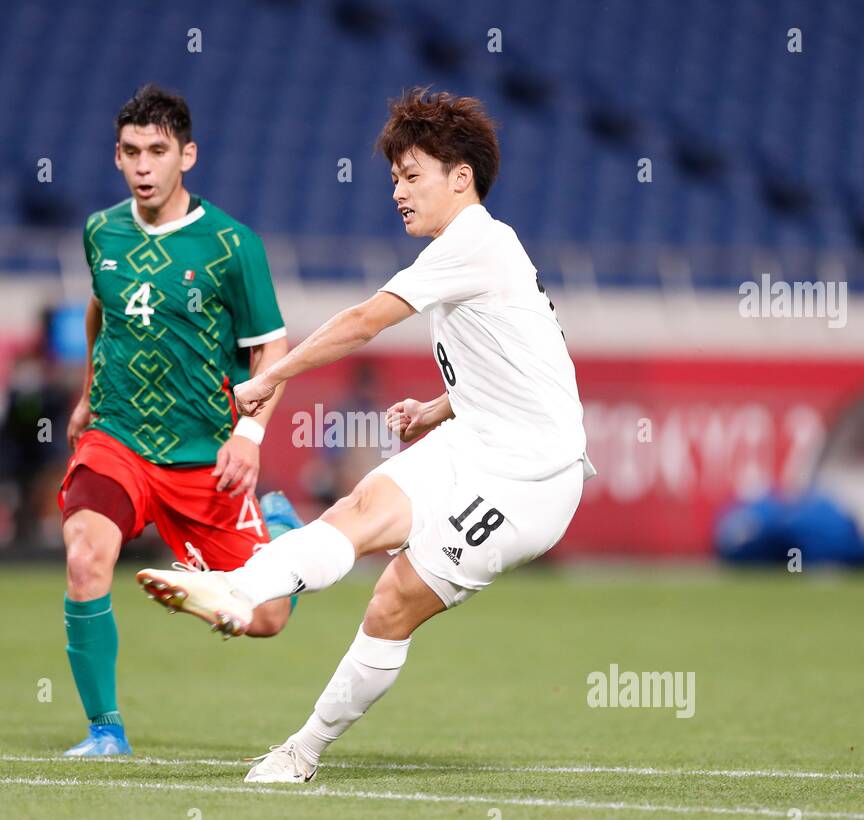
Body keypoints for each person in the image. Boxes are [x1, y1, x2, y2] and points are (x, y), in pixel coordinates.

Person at [137, 88, 595, 782]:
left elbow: (363, 321)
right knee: (357, 512)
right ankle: (238, 590)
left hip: (532, 480)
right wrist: (441, 408)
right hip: (474, 439)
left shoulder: (474, 240)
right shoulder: (481, 250)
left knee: (392, 599)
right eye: (393, 180)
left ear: (459, 178)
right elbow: (527, 364)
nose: (399, 193)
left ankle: (302, 751)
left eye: (411, 176)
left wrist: (271, 378)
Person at [59, 84, 304, 756]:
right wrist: (86, 395)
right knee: (86, 558)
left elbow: (272, 349)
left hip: (204, 454)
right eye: (132, 151)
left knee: (265, 618)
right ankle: (105, 731)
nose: (144, 165)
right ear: (117, 156)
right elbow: (99, 308)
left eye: (158, 151)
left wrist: (248, 435)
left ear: (186, 155)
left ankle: (281, 527)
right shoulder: (99, 231)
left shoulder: (232, 246)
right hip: (118, 438)